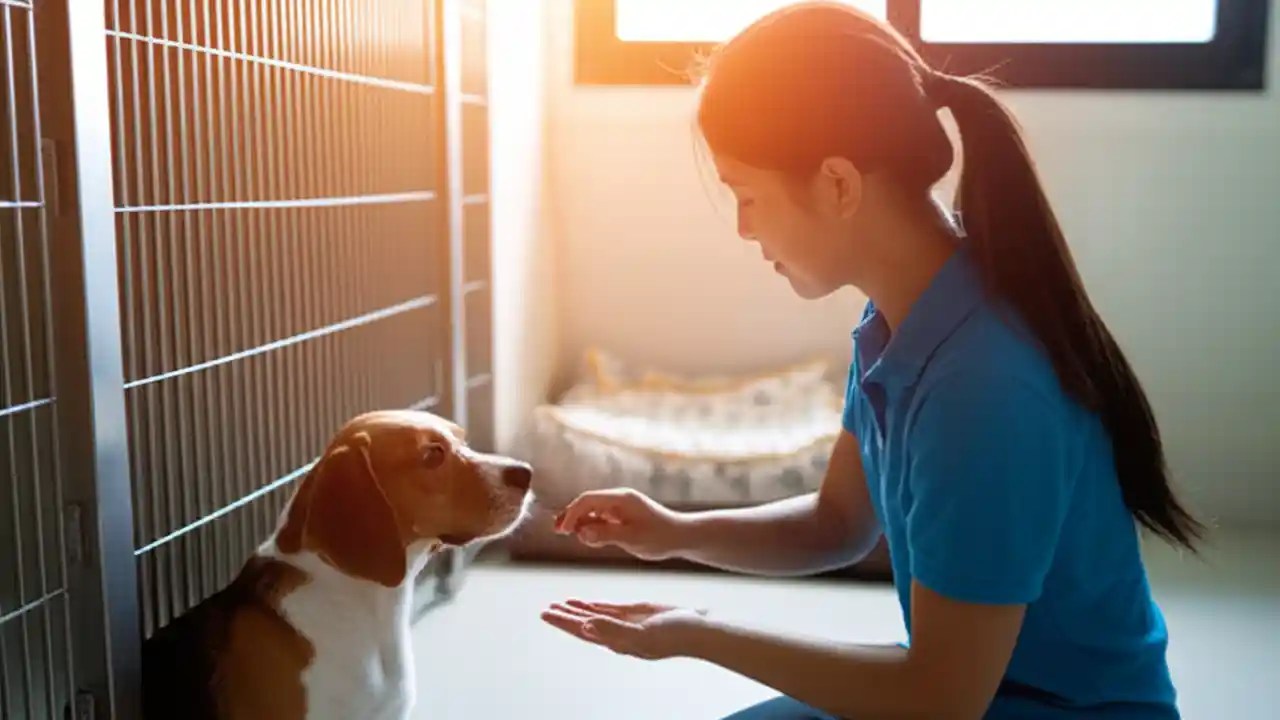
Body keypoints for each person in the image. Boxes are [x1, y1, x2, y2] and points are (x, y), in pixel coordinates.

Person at [538, 3, 1204, 719]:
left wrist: (699, 635)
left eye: (747, 195)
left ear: (838, 184)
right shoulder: (901, 316)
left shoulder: (985, 389)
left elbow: (937, 698)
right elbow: (839, 524)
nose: (742, 227)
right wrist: (675, 532)